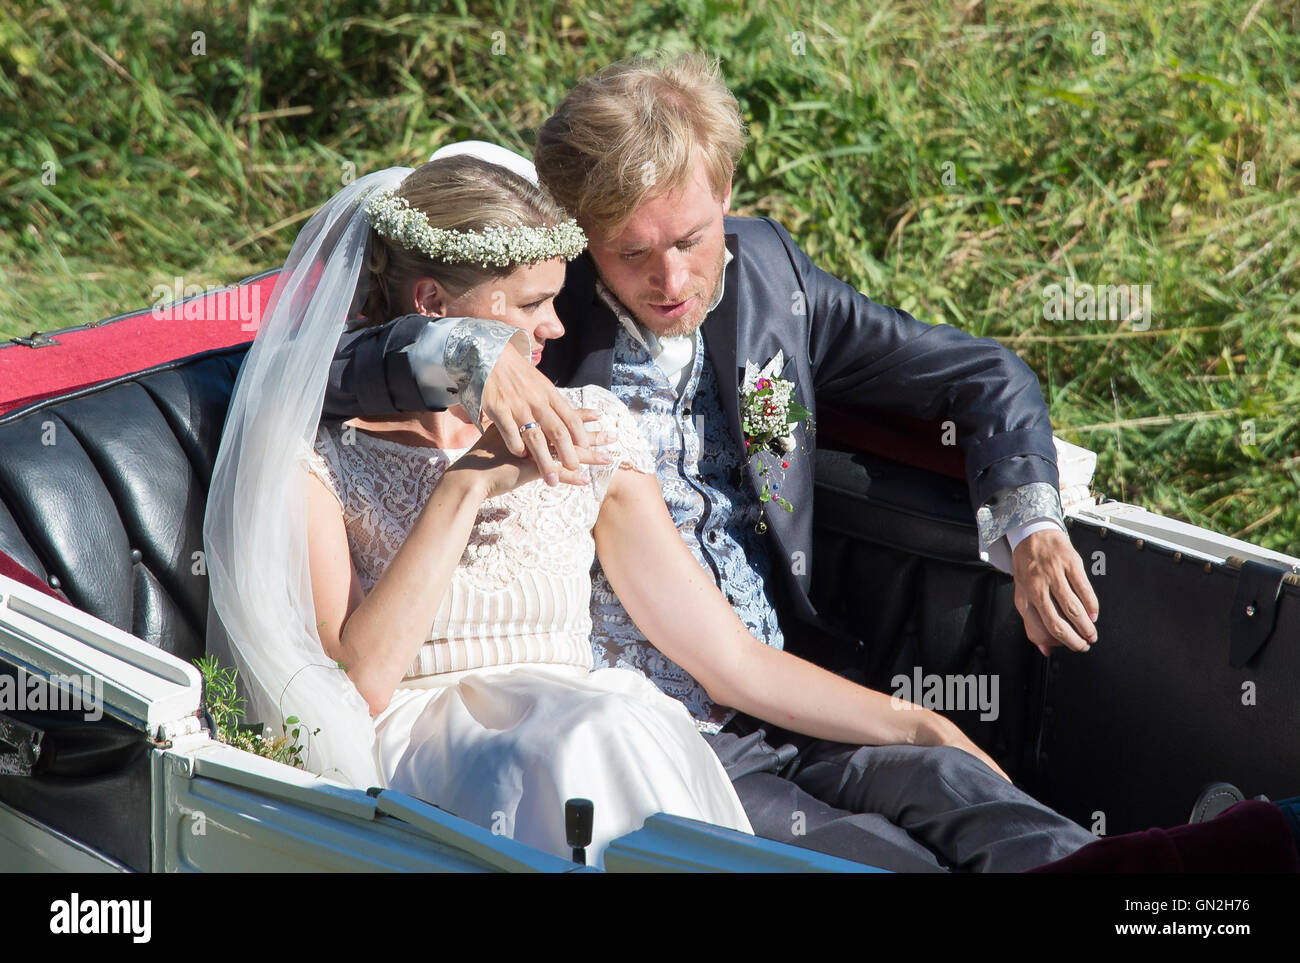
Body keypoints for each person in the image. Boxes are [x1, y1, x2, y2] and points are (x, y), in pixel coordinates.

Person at [204, 147, 1105, 872]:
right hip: (452, 753)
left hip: (626, 720)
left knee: (936, 803)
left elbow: (728, 658)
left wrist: (917, 721)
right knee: (608, 745)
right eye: (530, 308)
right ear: (439, 312)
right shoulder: (319, 460)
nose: (555, 332)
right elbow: (345, 693)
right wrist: (465, 485)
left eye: (556, 301)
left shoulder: (588, 428)